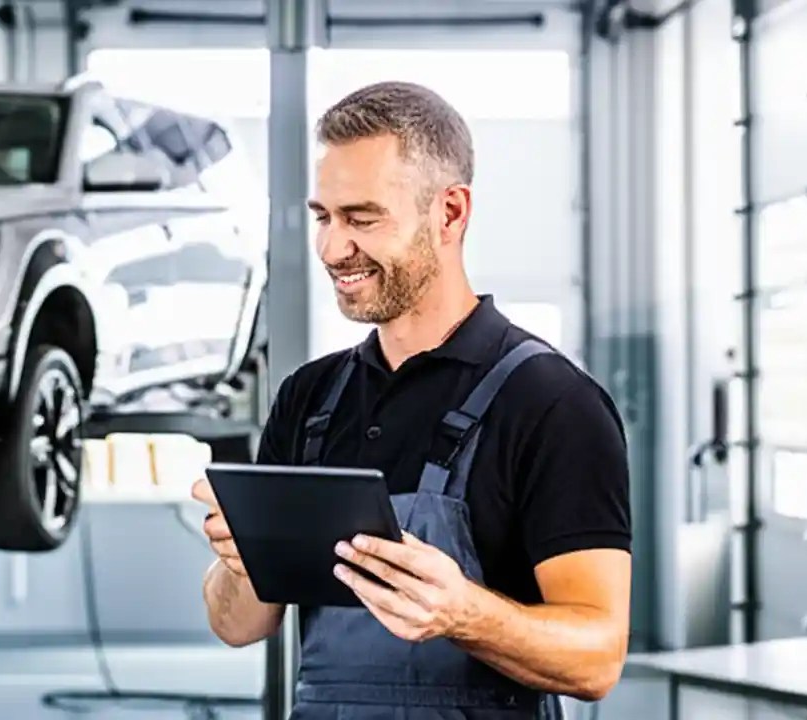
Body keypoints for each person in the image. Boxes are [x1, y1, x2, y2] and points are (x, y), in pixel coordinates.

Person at [192, 81, 632, 718]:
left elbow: (597, 657)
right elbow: (239, 625)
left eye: (362, 219)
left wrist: (463, 612)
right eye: (324, 216)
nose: (332, 248)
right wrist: (239, 560)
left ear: (450, 213)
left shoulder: (553, 403)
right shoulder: (309, 400)